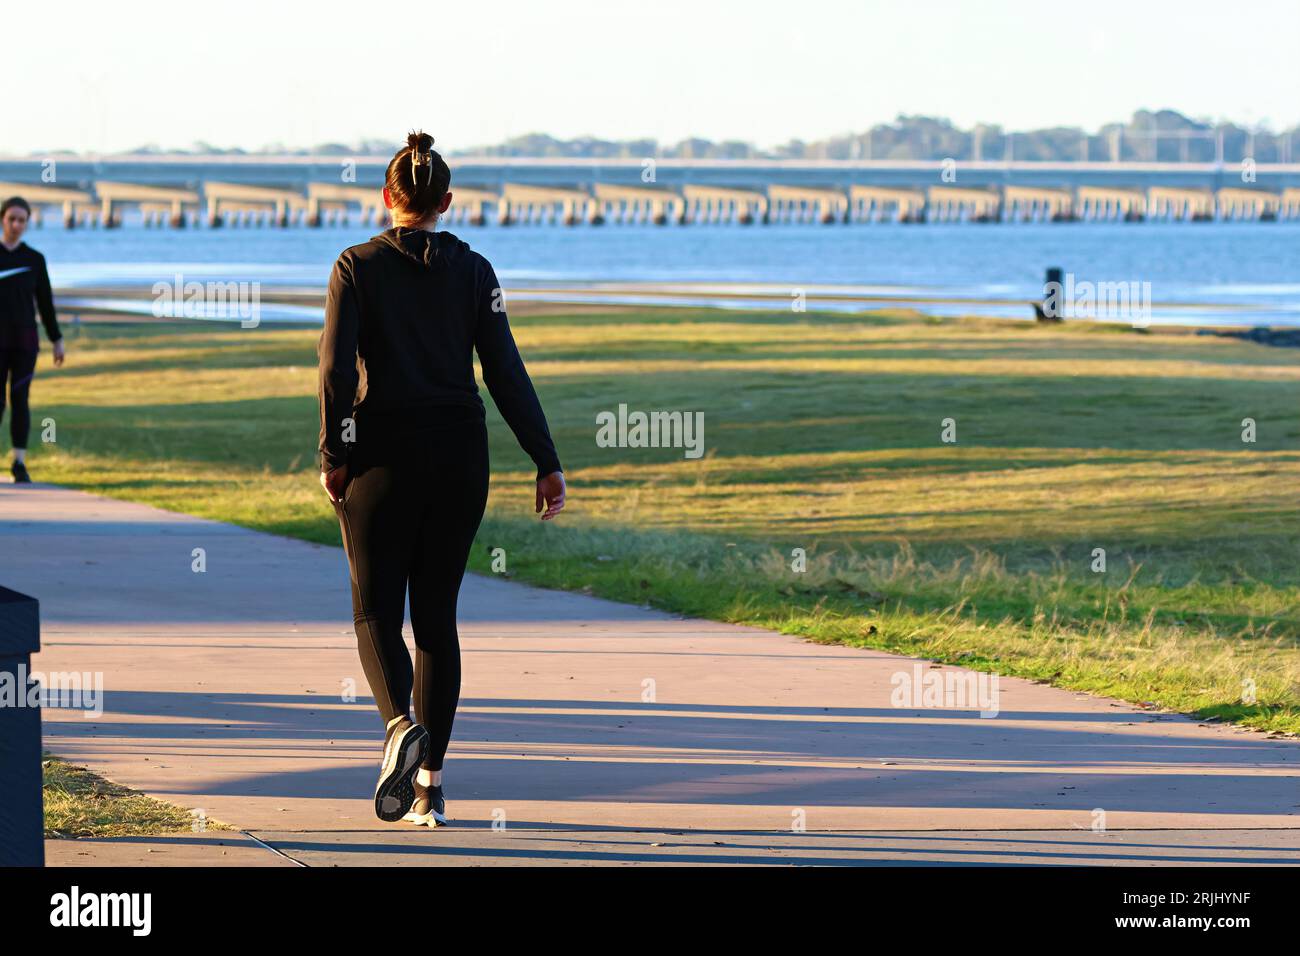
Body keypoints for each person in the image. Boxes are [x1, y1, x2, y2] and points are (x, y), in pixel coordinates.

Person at [318, 131, 566, 827]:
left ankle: (400, 725)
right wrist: (545, 460)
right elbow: (505, 370)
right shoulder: (476, 271)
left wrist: (332, 454)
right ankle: (429, 788)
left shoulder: (355, 266)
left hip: (383, 457)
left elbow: (336, 372)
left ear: (387, 199)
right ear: (446, 202)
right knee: (436, 621)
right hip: (461, 456)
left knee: (373, 611)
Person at [0, 196, 65, 483]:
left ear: (27, 223)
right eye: (12, 218)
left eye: (22, 220)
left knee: (20, 399)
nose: (16, 225)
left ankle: (19, 462)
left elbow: (46, 304)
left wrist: (57, 339)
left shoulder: (35, 260)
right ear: (2, 219)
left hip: (25, 342)